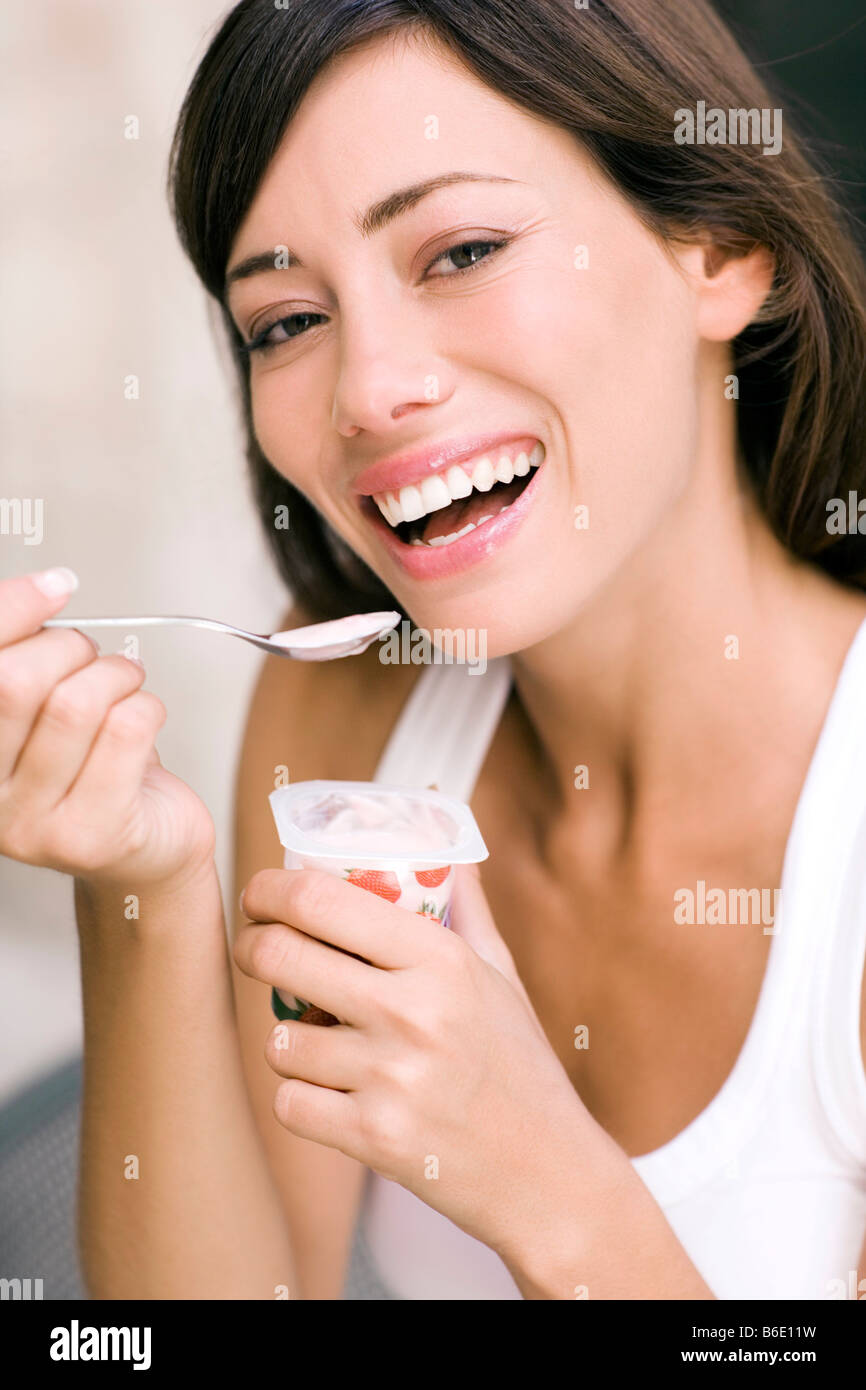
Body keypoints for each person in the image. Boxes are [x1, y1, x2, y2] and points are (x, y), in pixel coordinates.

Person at [2, 0, 866, 1300]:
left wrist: (550, 1188)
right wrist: (145, 886)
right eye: (286, 321)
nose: (364, 390)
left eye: (460, 248)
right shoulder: (345, 716)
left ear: (718, 246)